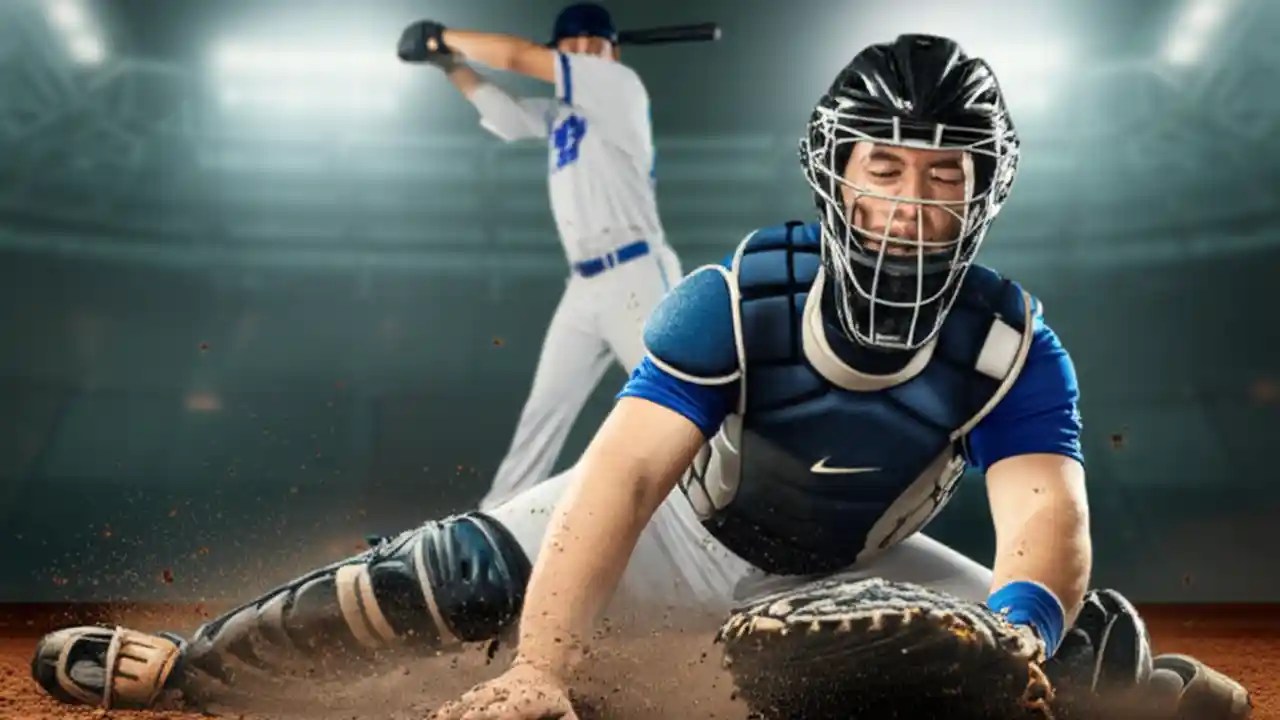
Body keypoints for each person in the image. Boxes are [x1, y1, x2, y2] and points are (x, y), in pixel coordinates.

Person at [29, 33, 1249, 720]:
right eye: (886, 166)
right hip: (686, 531)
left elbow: (1049, 523)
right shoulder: (725, 300)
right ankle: (192, 667)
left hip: (857, 561)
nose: (913, 199)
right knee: (448, 575)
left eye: (945, 174)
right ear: (838, 172)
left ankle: (1141, 690)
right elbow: (616, 482)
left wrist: (1015, 633)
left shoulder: (1008, 344)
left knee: (1075, 637)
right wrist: (540, 671)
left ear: (983, 191)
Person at [423, 2, 683, 511]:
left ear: (614, 54)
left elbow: (518, 59)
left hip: (636, 276)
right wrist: (449, 66)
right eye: (575, 46)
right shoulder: (564, 114)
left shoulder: (619, 85)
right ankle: (493, 523)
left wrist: (445, 37)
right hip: (584, 285)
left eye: (596, 45)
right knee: (543, 413)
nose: (586, 53)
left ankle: (739, 514)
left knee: (682, 403)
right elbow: (507, 115)